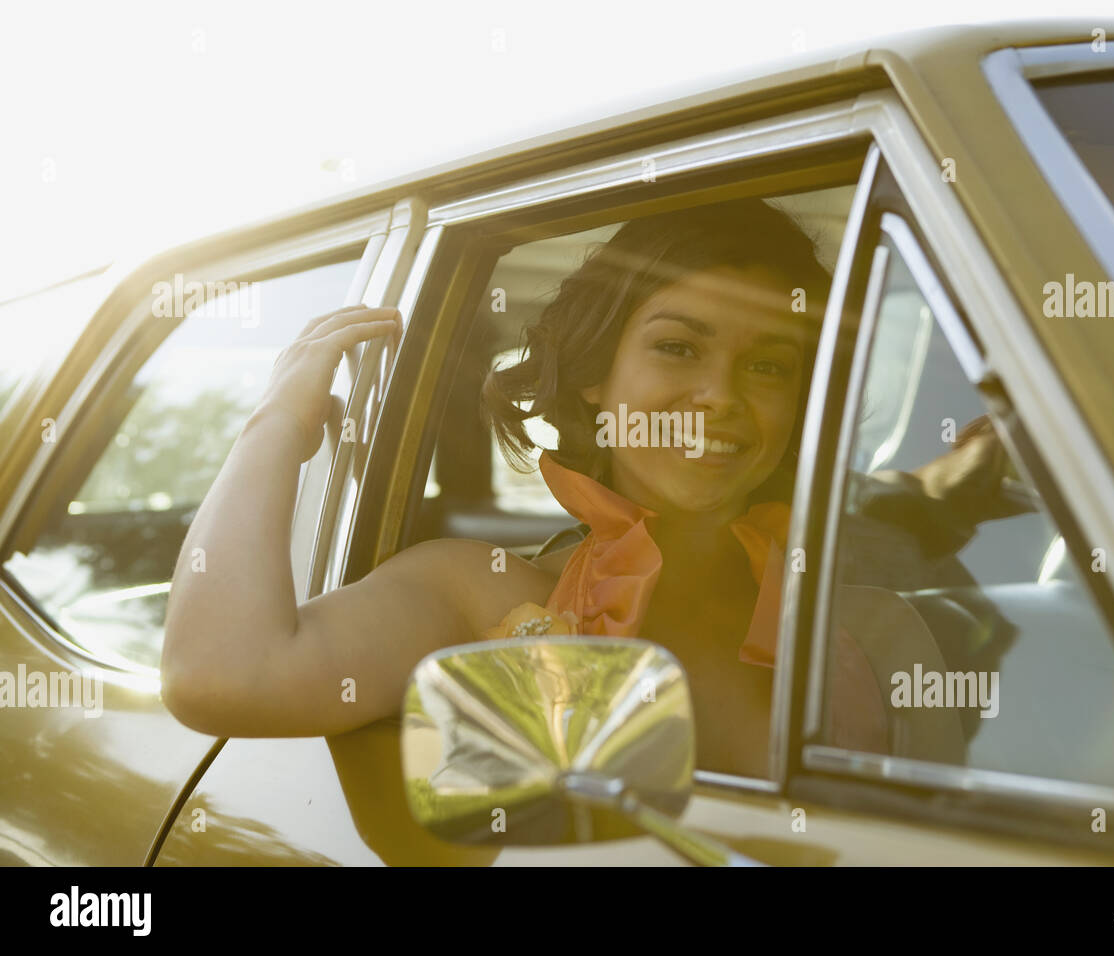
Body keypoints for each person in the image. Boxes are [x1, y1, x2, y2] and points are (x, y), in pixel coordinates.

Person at [161, 197, 1007, 777]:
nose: (721, 396)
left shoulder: (871, 630)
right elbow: (224, 675)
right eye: (679, 348)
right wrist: (277, 421)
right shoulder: (476, 592)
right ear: (598, 374)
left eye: (769, 366)